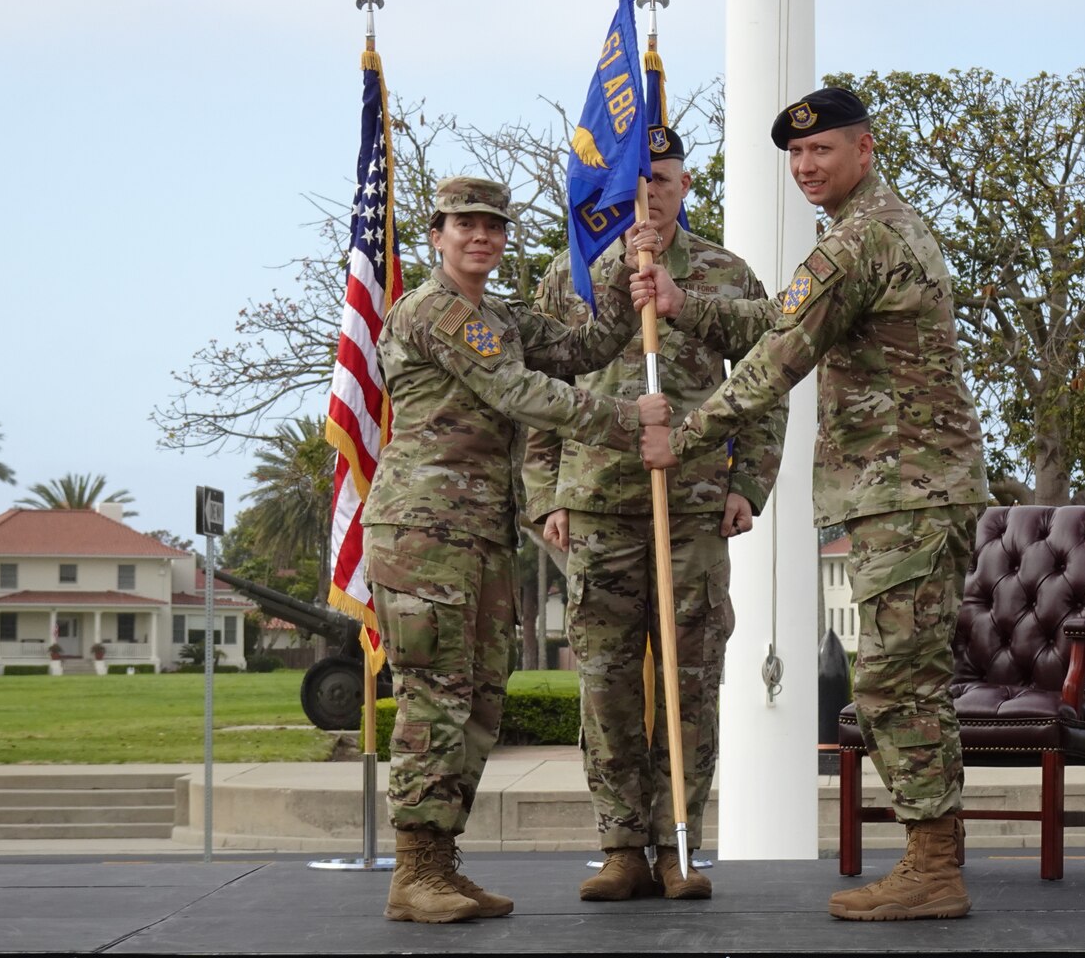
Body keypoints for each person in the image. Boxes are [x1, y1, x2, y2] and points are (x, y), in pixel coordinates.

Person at [631, 87, 987, 921]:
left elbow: (779, 357)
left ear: (864, 149)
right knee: (903, 678)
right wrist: (685, 306)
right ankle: (934, 858)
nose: (804, 167)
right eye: (794, 155)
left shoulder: (860, 240)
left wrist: (685, 437)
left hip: (907, 490)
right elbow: (782, 317)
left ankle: (934, 867)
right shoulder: (871, 230)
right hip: (907, 489)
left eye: (820, 150)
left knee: (898, 684)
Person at [362, 176, 669, 924]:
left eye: (494, 227)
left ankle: (439, 862)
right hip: (422, 530)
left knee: (479, 698)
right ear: (436, 234)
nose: (481, 237)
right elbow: (519, 391)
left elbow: (580, 348)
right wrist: (628, 419)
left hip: (480, 531)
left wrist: (627, 280)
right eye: (465, 224)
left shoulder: (499, 314)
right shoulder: (433, 310)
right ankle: (414, 870)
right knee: (434, 695)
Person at [522, 126, 787, 902]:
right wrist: (546, 495)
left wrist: (748, 484)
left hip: (695, 504)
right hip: (597, 504)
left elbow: (769, 380)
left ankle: (678, 846)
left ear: (685, 186)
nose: (649, 198)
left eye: (662, 181)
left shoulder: (725, 275)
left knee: (690, 682)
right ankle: (620, 847)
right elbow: (539, 392)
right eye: (636, 185)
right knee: (605, 685)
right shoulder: (571, 275)